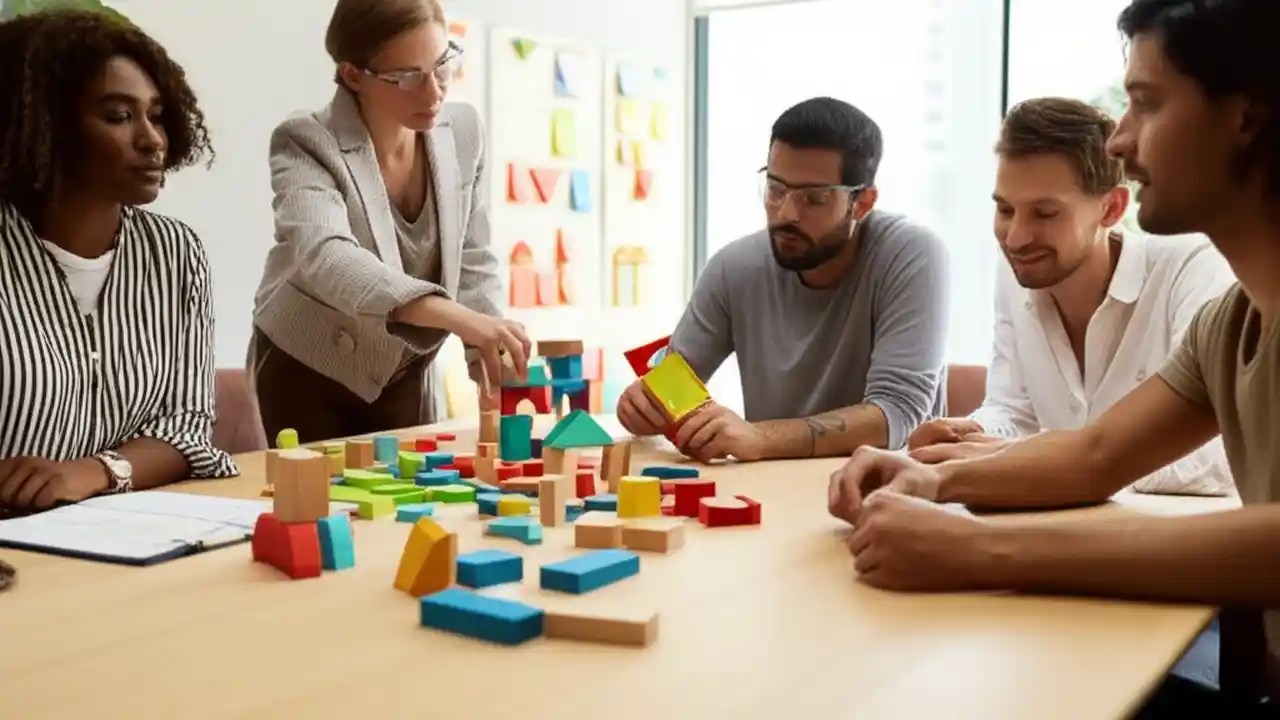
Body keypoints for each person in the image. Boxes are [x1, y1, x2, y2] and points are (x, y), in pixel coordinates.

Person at [828, 0, 1279, 714]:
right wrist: (930, 482)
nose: (1122, 141)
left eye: (1144, 103)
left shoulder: (1202, 282)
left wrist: (977, 552)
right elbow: (1097, 453)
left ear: (1245, 116)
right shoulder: (1230, 322)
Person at [907, 96, 1236, 497]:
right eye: (1006, 210)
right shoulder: (1017, 275)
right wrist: (969, 435)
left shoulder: (1194, 269)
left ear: (1111, 209)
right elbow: (1013, 411)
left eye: (1045, 214)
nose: (1016, 238)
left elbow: (1216, 460)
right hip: (1062, 533)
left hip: (1171, 543)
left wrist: (1023, 456)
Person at [250, 0, 529, 444]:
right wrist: (459, 319)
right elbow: (328, 258)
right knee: (322, 507)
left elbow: (474, 257)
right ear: (353, 75)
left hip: (403, 367)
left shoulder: (463, 132)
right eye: (406, 77)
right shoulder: (305, 141)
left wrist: (490, 361)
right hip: (307, 366)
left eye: (441, 65)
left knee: (414, 502)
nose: (434, 92)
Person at [616, 97, 951, 463]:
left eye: (814, 199)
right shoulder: (734, 267)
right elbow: (673, 381)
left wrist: (760, 437)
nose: (786, 213)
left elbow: (897, 414)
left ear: (862, 203)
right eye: (776, 190)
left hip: (883, 491)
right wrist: (647, 405)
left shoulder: (912, 254)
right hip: (770, 490)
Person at [0, 10, 238, 513]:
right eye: (118, 116)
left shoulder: (177, 253)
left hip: (131, 539)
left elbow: (186, 425)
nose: (152, 139)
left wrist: (93, 472)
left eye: (155, 114)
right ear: (46, 125)